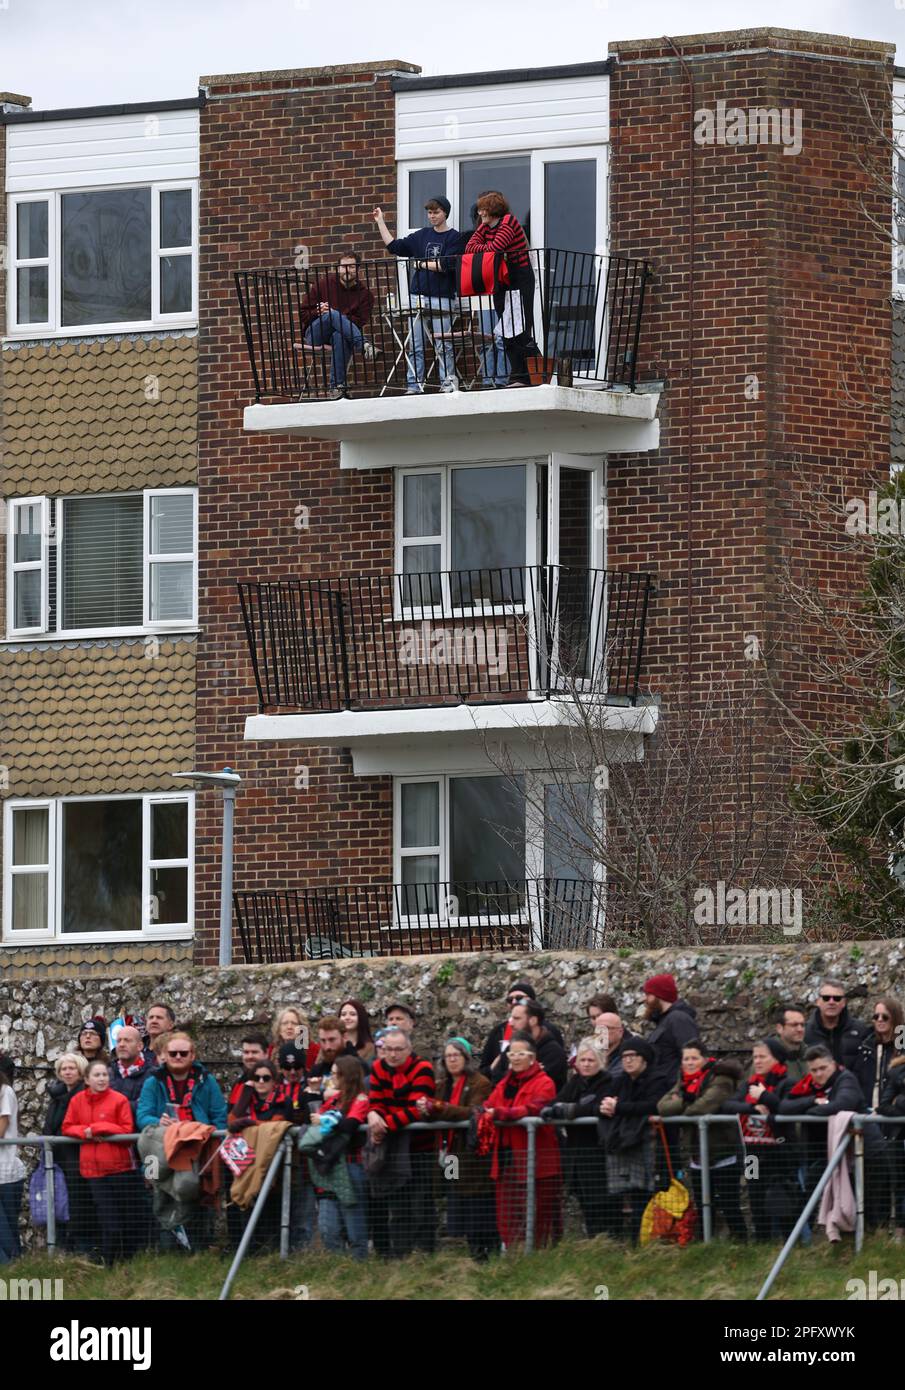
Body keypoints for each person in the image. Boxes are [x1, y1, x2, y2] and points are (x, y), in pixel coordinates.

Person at [373, 197, 467, 393]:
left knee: (444, 345)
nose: (432, 216)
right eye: (430, 212)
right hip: (418, 297)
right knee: (416, 346)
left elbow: (446, 265)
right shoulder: (421, 235)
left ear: (445, 213)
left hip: (442, 298)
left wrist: (421, 264)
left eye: (437, 212)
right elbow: (394, 247)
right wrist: (380, 222)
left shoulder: (454, 238)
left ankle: (448, 385)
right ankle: (414, 385)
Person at [657, 1041, 748, 1241]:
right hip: (696, 1154)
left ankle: (741, 1242)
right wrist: (686, 1102)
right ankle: (706, 1243)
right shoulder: (683, 1080)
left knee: (729, 1203)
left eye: (694, 1058)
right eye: (686, 1059)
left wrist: (682, 1107)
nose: (689, 1063)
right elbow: (662, 1107)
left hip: (722, 1152)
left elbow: (704, 1106)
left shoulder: (721, 1078)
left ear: (705, 1059)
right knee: (703, 1203)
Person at [417, 1037, 497, 1260]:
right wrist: (426, 1109)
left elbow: (471, 1111)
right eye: (448, 1056)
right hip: (449, 1153)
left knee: (476, 1202)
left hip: (472, 1154)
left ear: (466, 1057)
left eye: (456, 1055)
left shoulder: (480, 1082)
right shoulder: (441, 1085)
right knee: (455, 1194)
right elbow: (438, 1112)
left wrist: (439, 1107)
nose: (452, 1060)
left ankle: (485, 1253)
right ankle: (469, 1251)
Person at [62, 1059, 144, 1264]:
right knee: (108, 1219)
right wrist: (85, 1132)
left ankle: (128, 1260)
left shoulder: (119, 1100)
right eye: (97, 1075)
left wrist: (100, 1127)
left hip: (119, 1167)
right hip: (93, 1170)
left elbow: (127, 1130)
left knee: (127, 1217)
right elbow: (67, 1127)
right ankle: (109, 1262)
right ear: (87, 1079)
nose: (102, 1079)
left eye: (105, 1075)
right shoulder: (77, 1100)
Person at [485, 1032, 562, 1248]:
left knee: (539, 1215)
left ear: (532, 1057)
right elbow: (489, 1104)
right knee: (508, 1216)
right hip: (507, 1161)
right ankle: (514, 1257)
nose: (515, 1058)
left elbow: (535, 1108)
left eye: (521, 1053)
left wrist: (501, 1113)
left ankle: (540, 1259)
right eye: (512, 1053)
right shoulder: (504, 1084)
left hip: (537, 1163)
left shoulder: (544, 1082)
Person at [367, 1027, 436, 1258]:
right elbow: (376, 1100)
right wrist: (373, 1114)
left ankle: (424, 1254)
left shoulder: (423, 1069)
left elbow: (417, 1110)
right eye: (388, 1049)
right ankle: (400, 1256)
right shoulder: (378, 1068)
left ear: (409, 1049)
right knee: (397, 1205)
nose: (393, 1054)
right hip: (394, 1149)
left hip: (420, 1149)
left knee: (421, 1204)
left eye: (398, 1049)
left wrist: (382, 1124)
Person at [722, 1039, 795, 1241]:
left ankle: (789, 1245)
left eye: (763, 1056)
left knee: (781, 1198)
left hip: (777, 1152)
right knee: (756, 1196)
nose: (758, 1061)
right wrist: (752, 1108)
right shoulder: (749, 1084)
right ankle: (762, 1243)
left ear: (777, 1058)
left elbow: (785, 1108)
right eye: (755, 1057)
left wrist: (764, 1096)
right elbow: (728, 1106)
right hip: (752, 1153)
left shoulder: (786, 1083)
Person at [465, 191, 536, 388]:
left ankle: (524, 376)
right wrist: (488, 246)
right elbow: (470, 247)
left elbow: (498, 246)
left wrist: (489, 247)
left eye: (483, 209)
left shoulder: (508, 221)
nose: (480, 213)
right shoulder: (485, 227)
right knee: (506, 330)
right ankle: (529, 373)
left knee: (520, 328)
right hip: (501, 281)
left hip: (519, 278)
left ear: (493, 209)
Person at [777, 1044, 867, 1199]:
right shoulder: (807, 1085)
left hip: (856, 1154)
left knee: (861, 1207)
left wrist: (810, 1110)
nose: (818, 1074)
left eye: (823, 1068)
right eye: (813, 1070)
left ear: (833, 1064)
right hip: (819, 1153)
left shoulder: (846, 1079)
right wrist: (813, 1101)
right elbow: (784, 1107)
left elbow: (842, 1104)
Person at [544, 1036, 610, 1237]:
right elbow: (558, 1101)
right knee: (585, 1204)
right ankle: (594, 1243)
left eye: (591, 1060)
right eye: (583, 1060)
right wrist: (550, 1109)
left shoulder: (607, 1082)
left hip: (597, 1153)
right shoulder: (575, 1082)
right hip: (576, 1155)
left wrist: (571, 1110)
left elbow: (599, 1108)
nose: (587, 1064)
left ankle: (607, 1244)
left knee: (601, 1205)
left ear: (600, 1061)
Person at [598, 1038, 661, 1242]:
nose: (627, 1061)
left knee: (647, 1194)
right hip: (624, 1145)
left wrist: (619, 1107)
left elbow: (652, 1105)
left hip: (648, 1146)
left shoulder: (657, 1079)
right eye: (624, 1056)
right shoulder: (619, 1081)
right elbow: (605, 1100)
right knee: (627, 1195)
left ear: (644, 1059)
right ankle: (631, 1241)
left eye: (633, 1056)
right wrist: (607, 1106)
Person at [311, 1055, 370, 1260]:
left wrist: (326, 1122)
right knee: (328, 1226)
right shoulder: (333, 1100)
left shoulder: (361, 1099)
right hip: (329, 1167)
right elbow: (315, 1126)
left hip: (352, 1166)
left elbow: (351, 1125)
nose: (333, 1077)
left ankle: (359, 1265)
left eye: (336, 1074)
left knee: (354, 1222)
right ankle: (337, 1266)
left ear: (347, 1075)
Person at [299, 252, 375, 394]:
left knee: (339, 335)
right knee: (332, 314)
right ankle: (363, 345)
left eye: (351, 267)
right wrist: (318, 312)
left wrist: (339, 319)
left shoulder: (365, 295)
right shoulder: (323, 285)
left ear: (358, 270)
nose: (347, 270)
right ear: (338, 268)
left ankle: (336, 387)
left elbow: (360, 321)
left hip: (342, 334)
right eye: (343, 266)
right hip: (315, 334)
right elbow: (303, 314)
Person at [44, 1052, 94, 1253]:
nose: (67, 1072)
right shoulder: (56, 1096)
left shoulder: (85, 1095)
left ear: (81, 1071)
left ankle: (83, 1247)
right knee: (61, 1200)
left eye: (71, 1068)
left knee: (80, 1201)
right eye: (63, 1069)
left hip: (78, 1157)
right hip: (58, 1158)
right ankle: (65, 1246)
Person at [136, 1032, 227, 1130]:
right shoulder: (153, 1082)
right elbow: (142, 1117)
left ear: (192, 1056)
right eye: (173, 1053)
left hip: (200, 1139)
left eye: (183, 1053)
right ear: (165, 1056)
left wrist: (212, 1141)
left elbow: (220, 1117)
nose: (178, 1057)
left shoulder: (207, 1080)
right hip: (165, 1139)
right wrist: (158, 1122)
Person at [642, 974, 700, 1096]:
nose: (645, 999)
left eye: (648, 994)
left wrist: (683, 1089)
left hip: (672, 1089)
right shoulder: (665, 1021)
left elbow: (691, 1056)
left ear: (659, 995)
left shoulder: (678, 1019)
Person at [489, 1000, 568, 1089]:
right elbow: (496, 1078)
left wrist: (512, 1073)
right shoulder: (511, 1048)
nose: (510, 1024)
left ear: (533, 1020)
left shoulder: (553, 1053)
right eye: (511, 1018)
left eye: (517, 1018)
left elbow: (539, 1086)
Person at [852, 996, 904, 1112]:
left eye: (885, 1017)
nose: (879, 1020)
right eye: (876, 1016)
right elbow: (857, 1079)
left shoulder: (902, 1047)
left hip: (895, 1116)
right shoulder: (866, 1046)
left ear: (895, 1018)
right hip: (868, 1114)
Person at [804, 978, 870, 1067]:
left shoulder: (860, 1030)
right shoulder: (804, 1032)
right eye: (826, 998)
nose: (831, 1002)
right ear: (818, 1001)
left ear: (844, 1002)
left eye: (837, 998)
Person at [479, 980, 539, 1078]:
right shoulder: (498, 1031)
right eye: (510, 1000)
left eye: (519, 998)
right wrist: (493, 1068)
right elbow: (483, 1069)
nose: (514, 1002)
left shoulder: (546, 1031)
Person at [0, 1056, 26, 1265]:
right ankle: (12, 1264)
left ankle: (13, 1264)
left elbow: (1, 1129)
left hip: (6, 1170)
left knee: (7, 1223)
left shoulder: (4, 1092)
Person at [878, 1056, 905, 1239]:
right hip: (900, 1138)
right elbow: (883, 1106)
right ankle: (900, 1231)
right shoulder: (897, 1071)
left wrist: (901, 1101)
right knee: (900, 1187)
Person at [108, 1025, 154, 1123]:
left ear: (140, 1046)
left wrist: (113, 1106)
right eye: (119, 1041)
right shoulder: (106, 1073)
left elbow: (147, 1106)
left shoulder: (153, 1073)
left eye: (127, 1040)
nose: (121, 1044)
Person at [768, 1003, 809, 1083]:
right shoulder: (766, 1059)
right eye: (794, 1025)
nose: (800, 1029)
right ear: (779, 1028)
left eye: (802, 1025)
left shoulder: (810, 1055)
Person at [228, 1033, 271, 1109]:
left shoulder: (274, 1082)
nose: (250, 1056)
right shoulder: (238, 1084)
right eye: (246, 1052)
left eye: (254, 1052)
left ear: (266, 1053)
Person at [338, 999, 376, 1066]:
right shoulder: (331, 1043)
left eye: (352, 1014)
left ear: (361, 1018)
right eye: (343, 1014)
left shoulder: (369, 1048)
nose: (347, 1018)